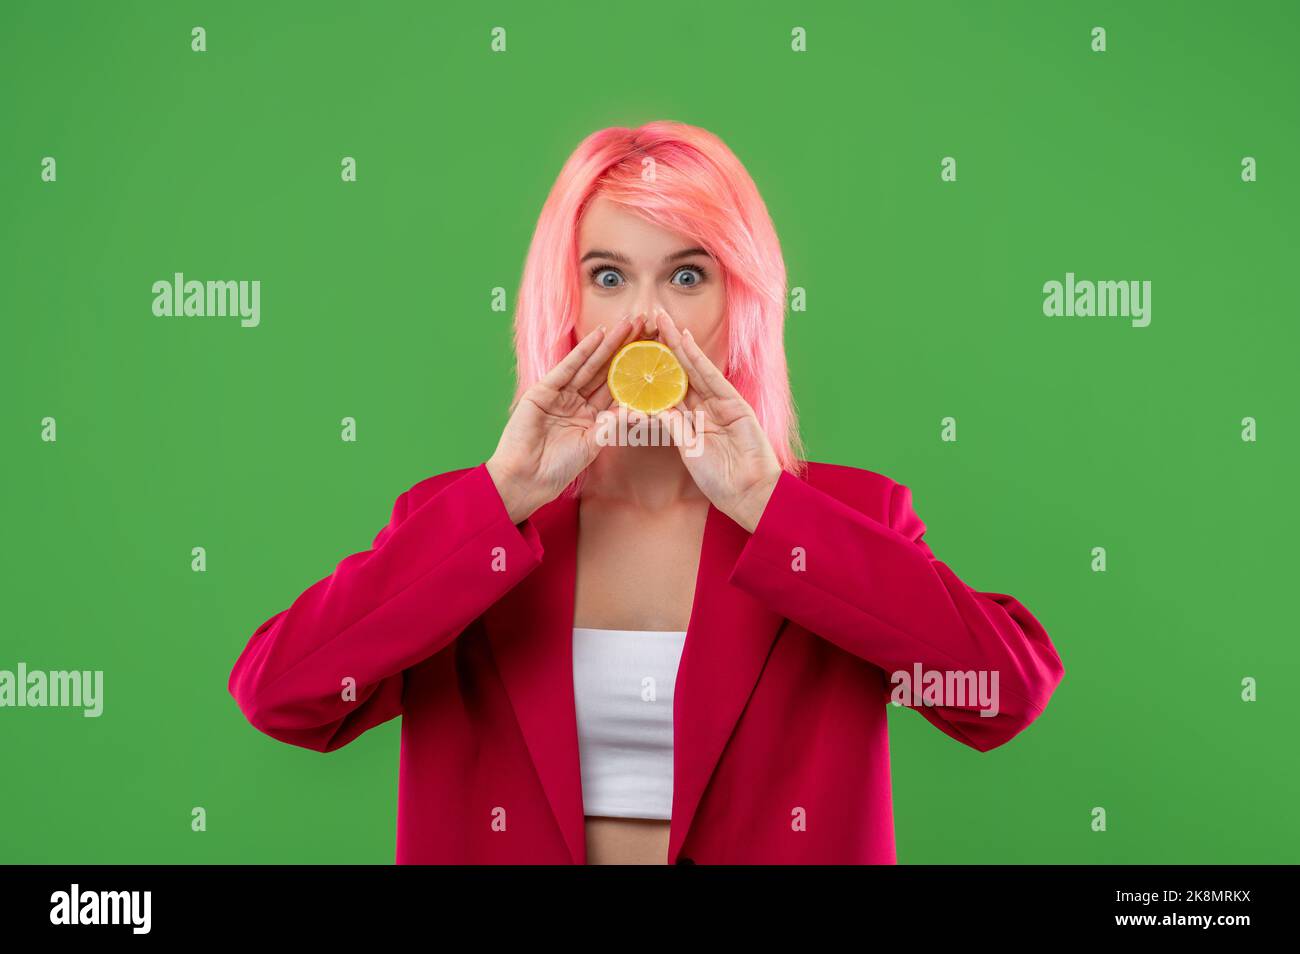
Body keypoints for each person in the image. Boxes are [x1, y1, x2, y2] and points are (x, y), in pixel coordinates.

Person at [228, 120, 1065, 865]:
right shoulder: (464, 521)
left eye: (688, 278)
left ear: (742, 299)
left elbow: (1005, 693)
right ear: (567, 301)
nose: (647, 321)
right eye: (608, 277)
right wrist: (503, 494)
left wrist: (773, 510)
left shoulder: (844, 517)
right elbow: (280, 696)